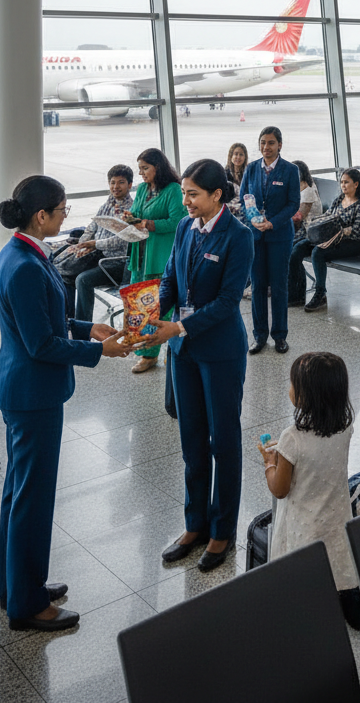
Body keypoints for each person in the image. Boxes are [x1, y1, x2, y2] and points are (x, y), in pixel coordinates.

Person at [0, 176, 129, 631]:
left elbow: (44, 319)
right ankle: (28, 606)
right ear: (41, 215)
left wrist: (84, 327)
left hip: (22, 388)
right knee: (31, 499)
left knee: (18, 493)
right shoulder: (27, 264)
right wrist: (98, 352)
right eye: (62, 209)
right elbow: (40, 344)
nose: (66, 216)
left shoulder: (21, 251)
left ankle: (16, 586)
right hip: (33, 392)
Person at [136, 160, 252, 572]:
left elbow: (226, 302)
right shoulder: (186, 228)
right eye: (184, 192)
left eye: (192, 194)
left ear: (217, 195)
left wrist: (178, 327)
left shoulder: (239, 237)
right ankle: (194, 523)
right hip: (183, 353)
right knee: (192, 440)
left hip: (218, 350)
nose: (184, 201)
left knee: (223, 440)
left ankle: (223, 531)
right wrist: (154, 311)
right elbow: (170, 277)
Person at [258, 351, 360, 632]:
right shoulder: (345, 426)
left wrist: (270, 464)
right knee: (334, 566)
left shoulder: (292, 438)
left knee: (304, 575)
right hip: (336, 516)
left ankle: (308, 619)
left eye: (293, 385)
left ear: (308, 397)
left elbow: (280, 489)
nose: (289, 390)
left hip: (303, 526)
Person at [240, 126, 301, 355]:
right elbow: (244, 198)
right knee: (257, 287)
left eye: (271, 143)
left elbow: (293, 203)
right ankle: (259, 336)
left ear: (280, 145)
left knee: (278, 286)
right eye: (263, 143)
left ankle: (280, 336)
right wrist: (253, 220)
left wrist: (272, 222)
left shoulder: (290, 170)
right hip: (255, 235)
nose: (266, 147)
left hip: (279, 236)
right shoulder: (252, 168)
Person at [125, 148, 186, 375]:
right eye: (139, 168)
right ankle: (143, 351)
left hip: (159, 254)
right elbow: (136, 213)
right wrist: (129, 218)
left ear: (157, 167)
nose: (141, 173)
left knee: (156, 307)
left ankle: (155, 353)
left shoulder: (172, 190)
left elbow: (177, 221)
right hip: (139, 255)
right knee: (138, 306)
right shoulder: (142, 189)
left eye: (145, 168)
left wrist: (149, 224)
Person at [290, 168, 360, 314]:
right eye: (341, 182)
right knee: (298, 248)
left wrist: (337, 230)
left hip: (351, 243)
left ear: (356, 184)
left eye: (346, 182)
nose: (343, 185)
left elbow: (358, 230)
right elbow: (327, 217)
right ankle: (296, 292)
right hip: (329, 238)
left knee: (318, 252)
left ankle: (320, 293)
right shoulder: (339, 199)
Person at [63, 165, 134, 323]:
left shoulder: (131, 210)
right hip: (98, 256)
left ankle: (83, 328)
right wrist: (83, 246)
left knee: (83, 279)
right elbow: (91, 227)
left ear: (130, 185)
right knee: (65, 272)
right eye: (112, 182)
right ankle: (67, 319)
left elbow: (121, 239)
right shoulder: (107, 205)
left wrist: (95, 244)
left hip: (117, 262)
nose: (115, 187)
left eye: (121, 182)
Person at [288, 160, 322, 307]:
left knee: (292, 252)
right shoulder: (299, 188)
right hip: (305, 231)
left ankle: (297, 294)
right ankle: (292, 292)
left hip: (311, 233)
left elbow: (298, 218)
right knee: (286, 250)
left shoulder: (307, 191)